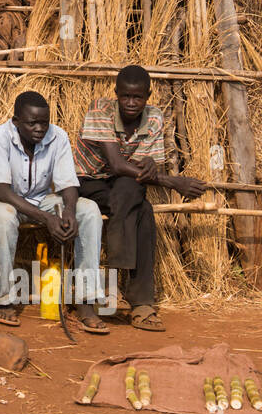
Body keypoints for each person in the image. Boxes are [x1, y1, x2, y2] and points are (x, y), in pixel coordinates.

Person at [74, 64, 207, 331]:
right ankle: (140, 301)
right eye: (125, 96)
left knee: (136, 198)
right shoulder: (100, 110)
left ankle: (127, 282)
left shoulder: (154, 117)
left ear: (148, 95)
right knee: (142, 209)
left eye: (138, 97)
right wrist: (174, 182)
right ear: (116, 94)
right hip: (87, 180)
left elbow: (144, 168)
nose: (131, 103)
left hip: (122, 186)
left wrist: (149, 168)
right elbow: (116, 164)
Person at [0, 90, 108, 333]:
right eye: (32, 123)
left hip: (43, 199)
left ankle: (86, 301)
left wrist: (70, 211)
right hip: (11, 200)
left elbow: (68, 184)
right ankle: (4, 298)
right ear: (16, 121)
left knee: (89, 210)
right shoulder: (0, 135)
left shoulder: (58, 136)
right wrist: (48, 218)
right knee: (2, 216)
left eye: (44, 122)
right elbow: (1, 190)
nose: (40, 128)